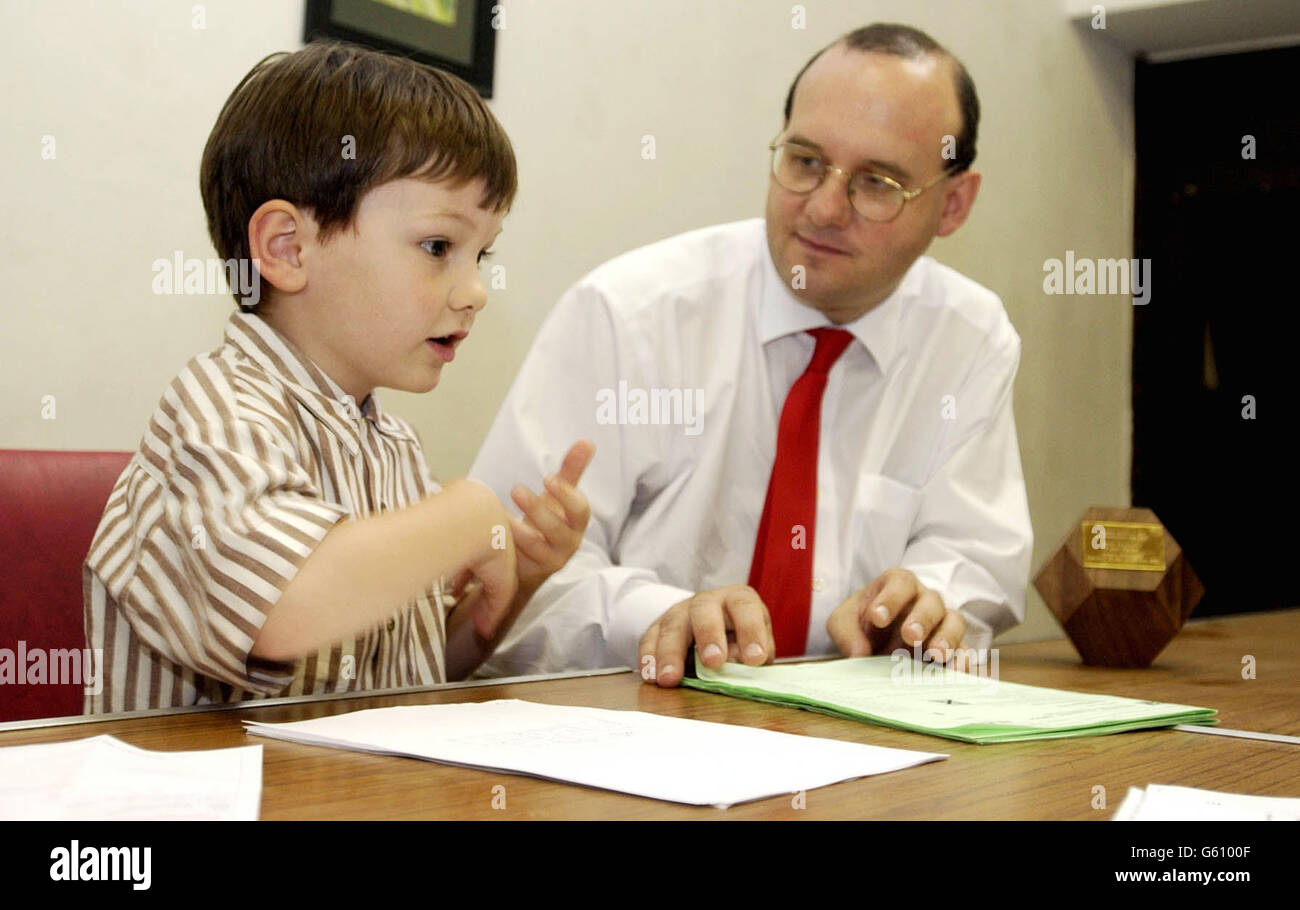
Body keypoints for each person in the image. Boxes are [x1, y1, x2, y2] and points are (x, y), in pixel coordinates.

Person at [470, 23, 1032, 686]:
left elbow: (976, 557)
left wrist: (927, 604)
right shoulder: (629, 314)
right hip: (637, 733)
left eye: (877, 183)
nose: (823, 209)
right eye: (805, 162)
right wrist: (666, 617)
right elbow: (505, 576)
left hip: (861, 747)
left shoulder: (969, 336)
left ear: (953, 205)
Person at [83, 41, 593, 713]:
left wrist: (514, 584)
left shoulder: (395, 451)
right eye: (439, 247)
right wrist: (465, 514)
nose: (475, 291)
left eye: (483, 254)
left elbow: (405, 674)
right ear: (288, 249)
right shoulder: (214, 414)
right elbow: (284, 608)